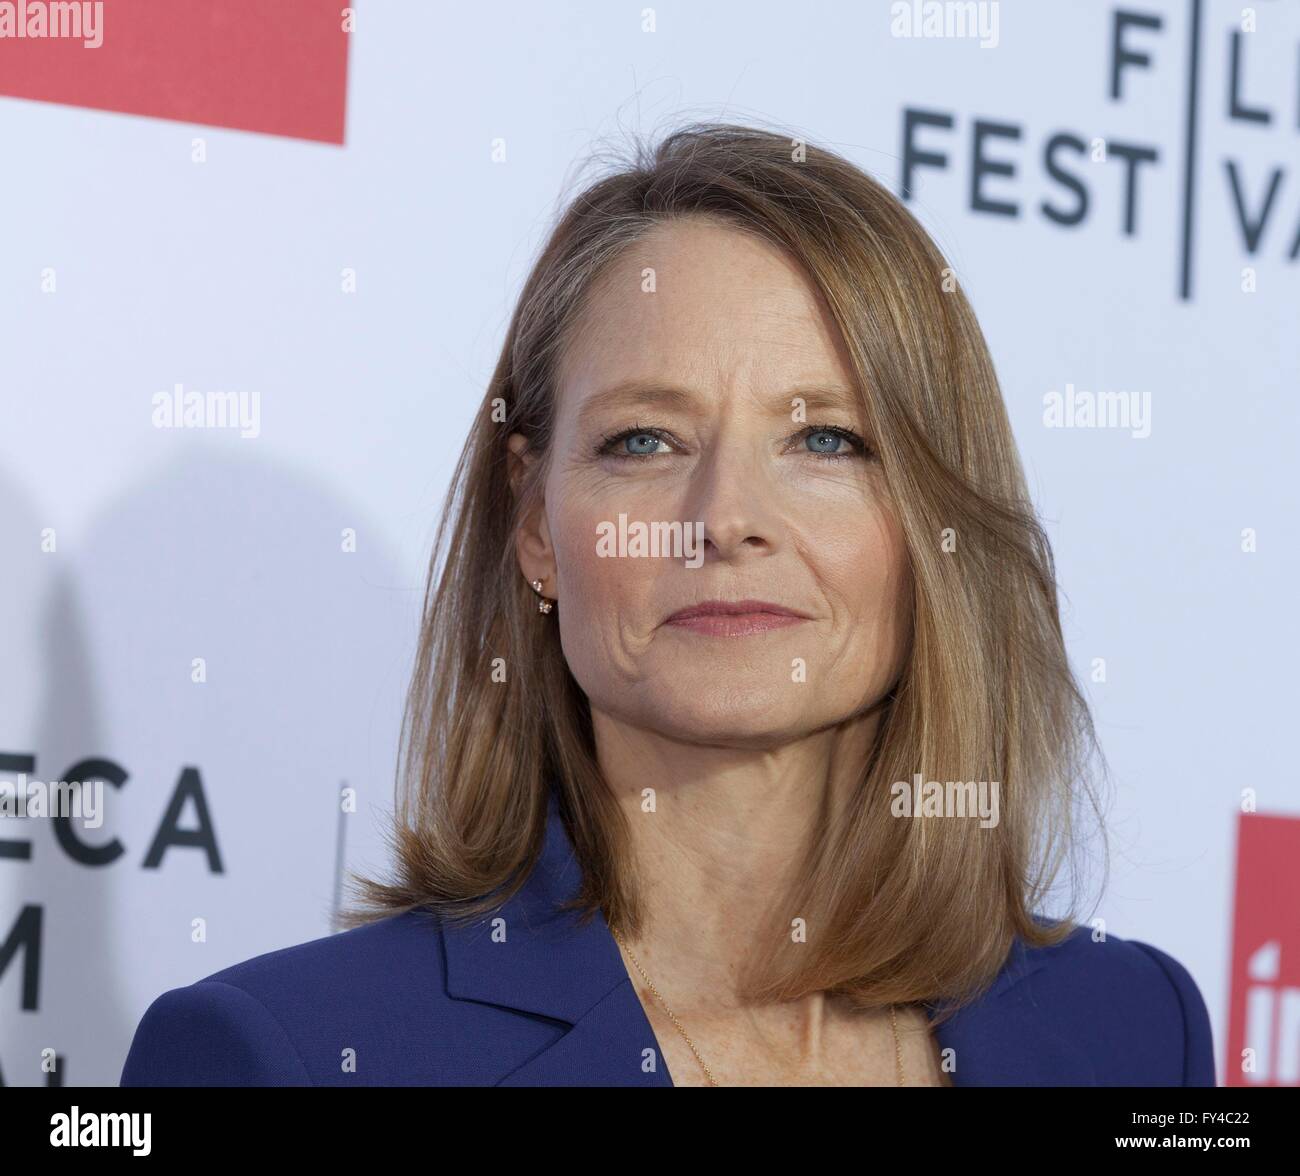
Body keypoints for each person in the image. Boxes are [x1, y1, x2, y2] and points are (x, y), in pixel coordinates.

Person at [121, 122, 1215, 1087]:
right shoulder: (288, 1056)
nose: (726, 516)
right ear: (538, 528)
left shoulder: (1129, 1031)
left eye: (825, 439)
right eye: (644, 440)